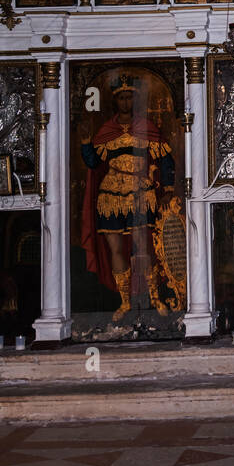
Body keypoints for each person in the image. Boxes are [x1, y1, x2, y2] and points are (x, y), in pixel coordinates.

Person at [80, 75, 178, 321]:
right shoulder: (106, 131)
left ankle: (154, 297)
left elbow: (166, 160)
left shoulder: (147, 127)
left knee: (143, 247)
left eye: (129, 97)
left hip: (140, 192)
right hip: (111, 193)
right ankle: (125, 302)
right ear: (116, 101)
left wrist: (167, 190)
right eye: (121, 98)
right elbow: (93, 162)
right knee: (115, 248)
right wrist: (84, 143)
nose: (125, 102)